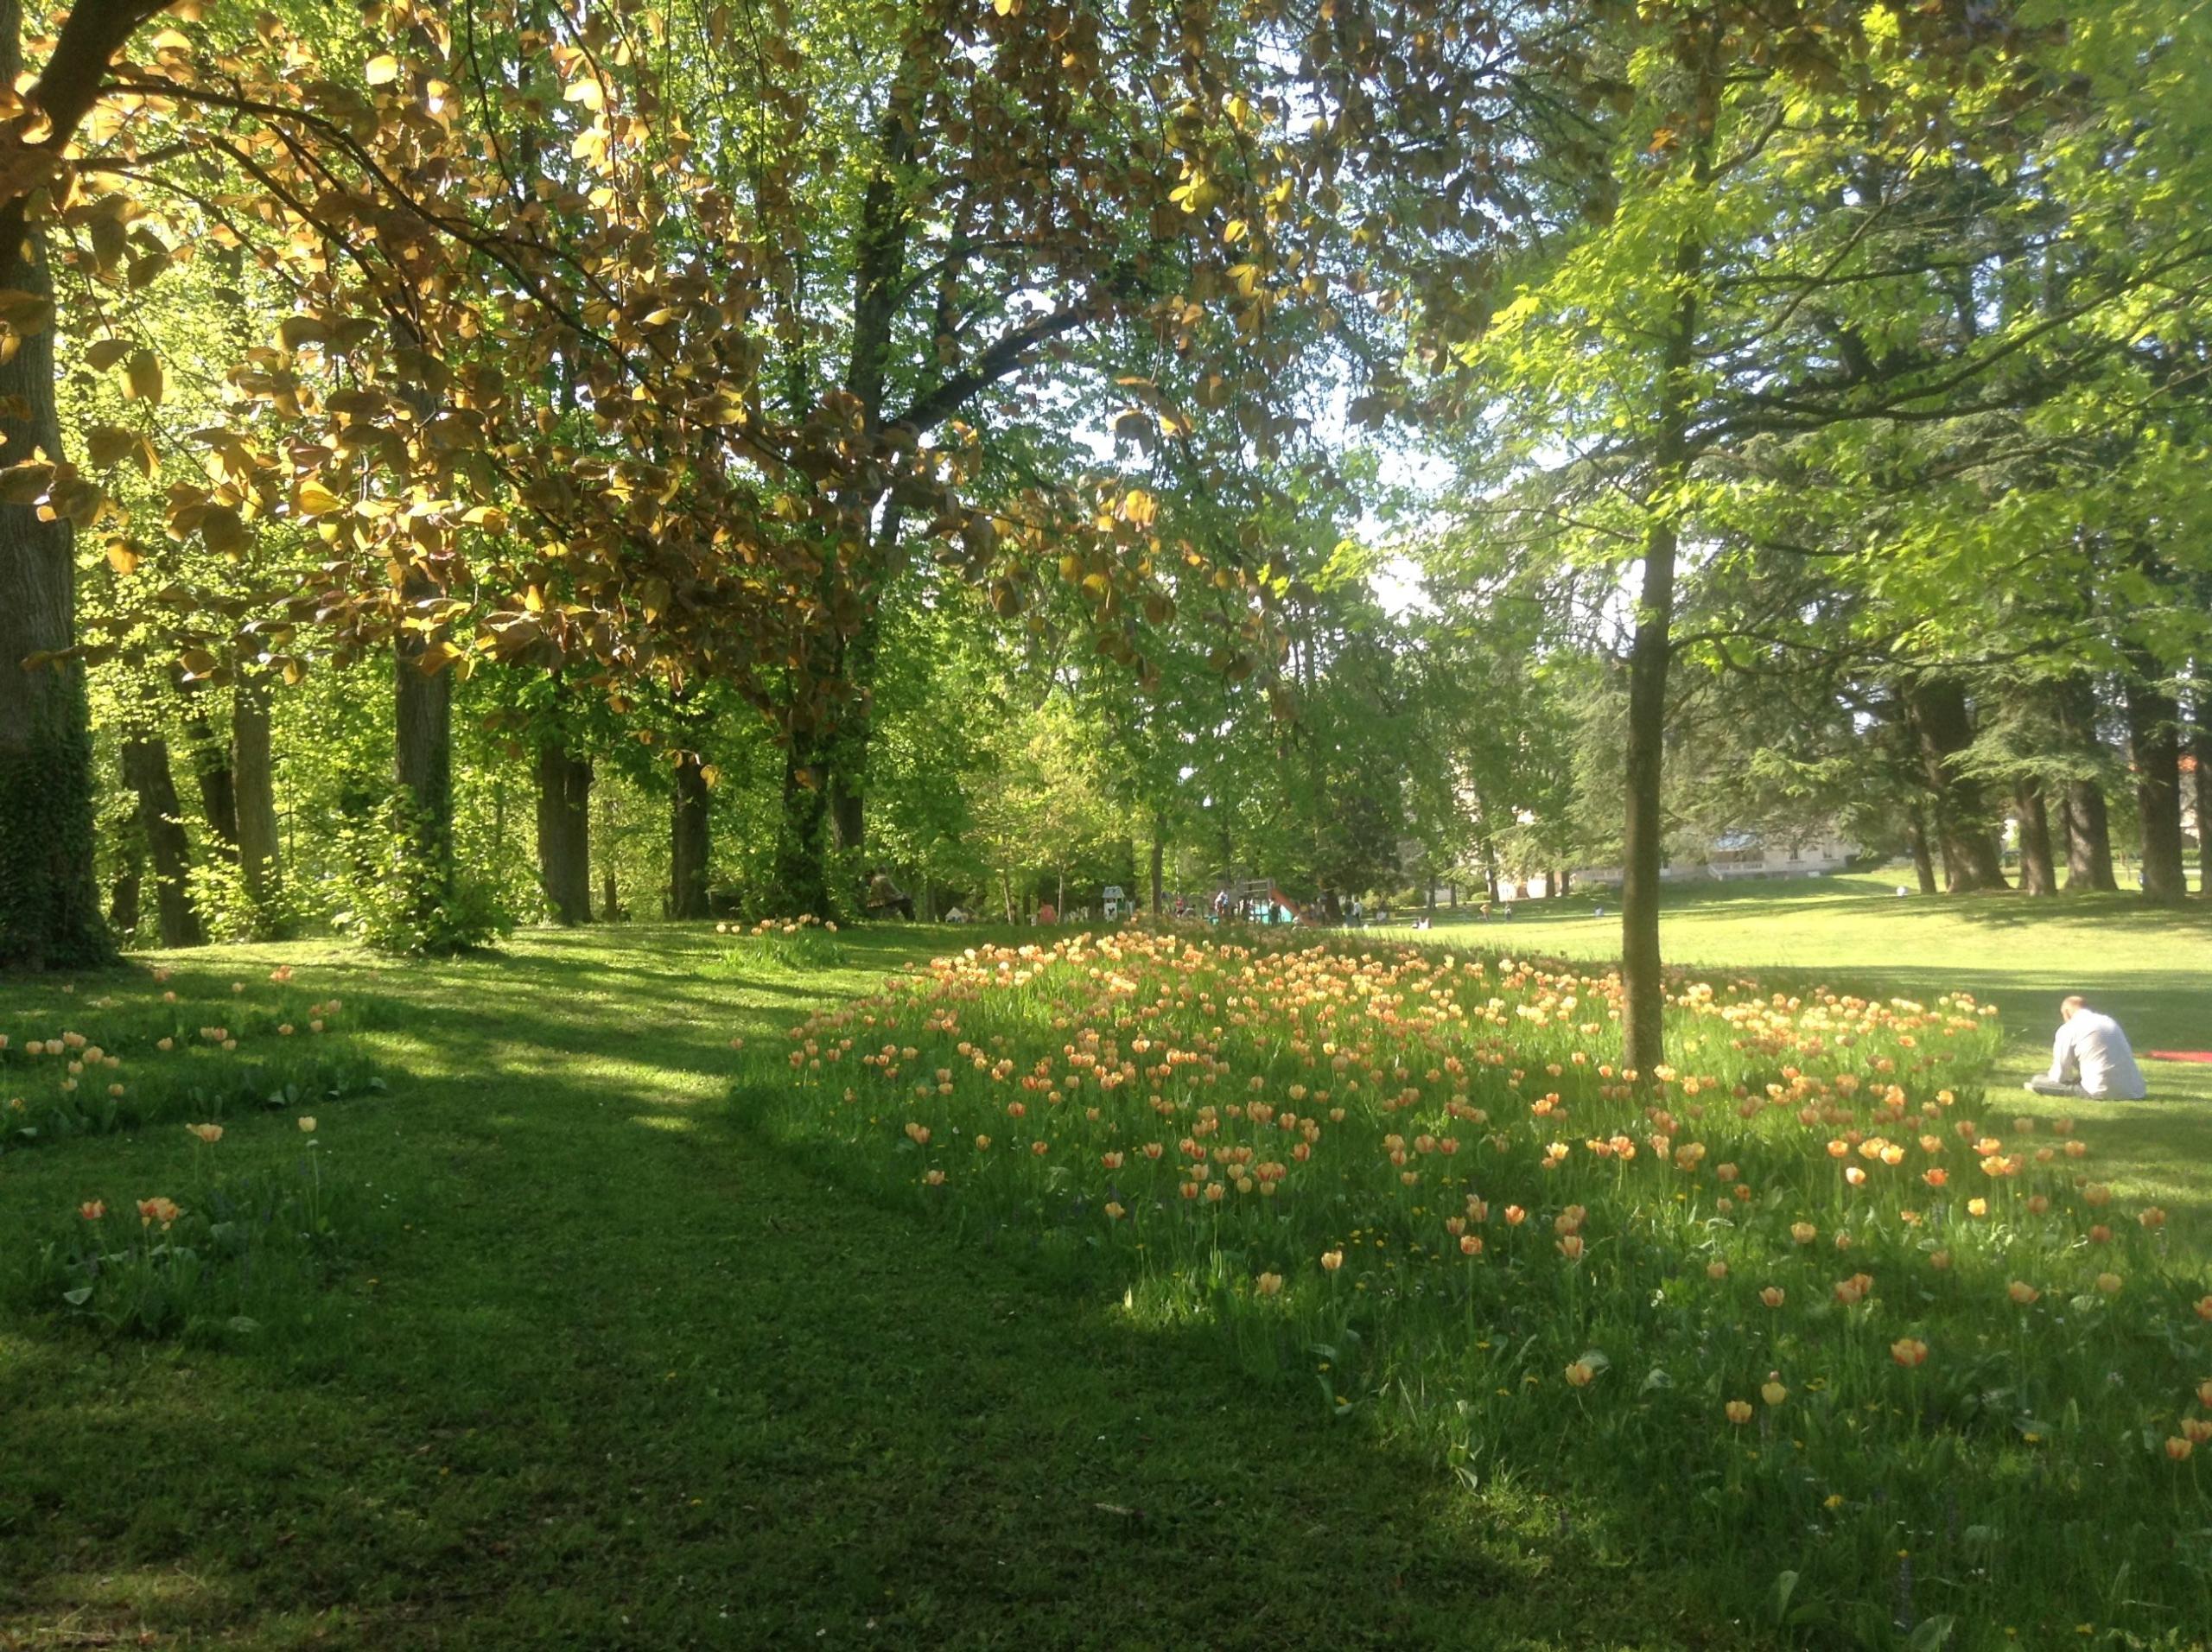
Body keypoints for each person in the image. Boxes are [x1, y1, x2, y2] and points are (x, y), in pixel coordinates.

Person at [2024, 995, 2147, 1100]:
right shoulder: (2109, 1021)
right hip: (2136, 1090)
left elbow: (2060, 1075)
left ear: (2066, 1013)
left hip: (2100, 1091)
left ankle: (2039, 1087)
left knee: (2037, 1080)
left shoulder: (2068, 1029)